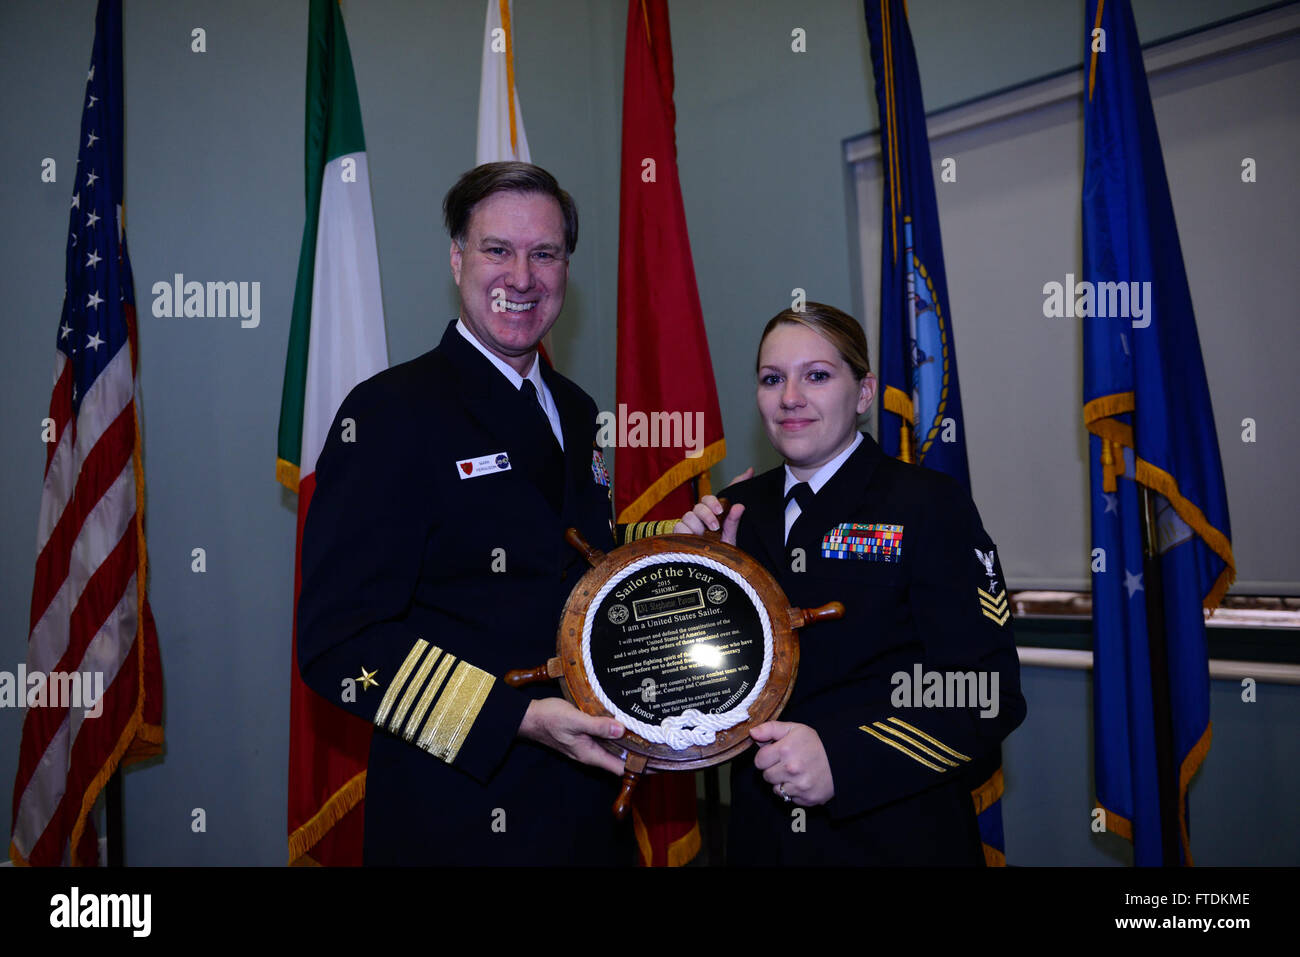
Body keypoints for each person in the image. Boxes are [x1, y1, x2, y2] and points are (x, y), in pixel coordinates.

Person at [296, 162, 634, 865]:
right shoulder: (389, 413)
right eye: (497, 250)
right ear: (457, 259)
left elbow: (568, 558)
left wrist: (671, 548)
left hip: (590, 810)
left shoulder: (575, 408)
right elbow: (338, 642)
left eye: (545, 253)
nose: (523, 275)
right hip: (456, 812)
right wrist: (514, 719)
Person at [677, 302, 1026, 865]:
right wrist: (694, 578)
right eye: (772, 379)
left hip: (893, 836)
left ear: (864, 393)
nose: (790, 396)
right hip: (762, 838)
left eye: (816, 375)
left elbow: (988, 695)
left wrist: (844, 759)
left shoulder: (927, 505)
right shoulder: (736, 513)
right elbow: (704, 688)